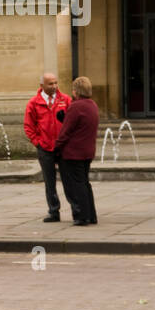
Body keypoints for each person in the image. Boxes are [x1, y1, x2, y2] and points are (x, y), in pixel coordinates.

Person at [23, 71, 71, 222]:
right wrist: (38, 142)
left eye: (56, 83)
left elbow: (72, 122)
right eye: (51, 84)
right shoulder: (33, 103)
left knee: (68, 180)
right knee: (49, 182)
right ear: (42, 85)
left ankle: (76, 210)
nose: (55, 86)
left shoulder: (66, 100)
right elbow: (28, 126)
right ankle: (54, 211)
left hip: (63, 147)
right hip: (45, 148)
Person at [53, 75, 98, 226]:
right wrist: (64, 118)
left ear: (76, 91)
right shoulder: (92, 105)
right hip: (87, 151)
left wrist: (56, 149)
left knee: (76, 185)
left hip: (74, 153)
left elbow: (65, 132)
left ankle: (81, 216)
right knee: (85, 183)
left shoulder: (76, 106)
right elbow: (79, 125)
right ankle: (91, 215)